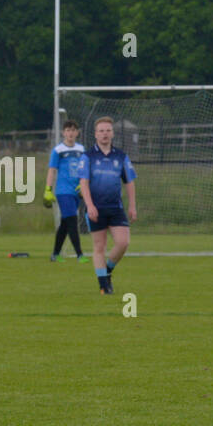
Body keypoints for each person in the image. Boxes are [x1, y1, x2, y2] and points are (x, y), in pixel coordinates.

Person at [80, 117, 137, 294]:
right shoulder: (88, 156)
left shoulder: (121, 156)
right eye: (101, 131)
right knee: (99, 247)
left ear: (112, 133)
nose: (105, 134)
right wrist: (89, 206)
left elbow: (129, 182)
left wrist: (132, 205)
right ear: (96, 134)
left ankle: (107, 271)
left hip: (116, 208)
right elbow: (83, 183)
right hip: (96, 208)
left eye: (108, 130)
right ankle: (104, 285)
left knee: (123, 243)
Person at [45, 120, 87, 262]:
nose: (70, 133)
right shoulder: (58, 150)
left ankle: (55, 255)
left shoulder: (81, 149)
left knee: (65, 224)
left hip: (76, 192)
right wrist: (48, 189)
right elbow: (52, 170)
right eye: (68, 130)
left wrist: (84, 185)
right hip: (63, 192)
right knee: (72, 221)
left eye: (73, 130)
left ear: (77, 132)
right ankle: (80, 254)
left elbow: (85, 169)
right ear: (63, 132)